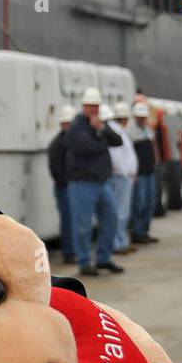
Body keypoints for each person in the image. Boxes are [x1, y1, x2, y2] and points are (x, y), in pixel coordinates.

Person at [64, 87, 124, 276]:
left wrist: (102, 130)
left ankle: (103, 258)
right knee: (82, 224)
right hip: (82, 183)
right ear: (84, 106)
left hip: (101, 182)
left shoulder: (99, 125)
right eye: (90, 106)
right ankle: (84, 261)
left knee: (111, 218)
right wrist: (102, 141)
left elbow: (117, 141)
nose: (94, 110)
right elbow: (87, 148)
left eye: (96, 106)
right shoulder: (76, 127)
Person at [104, 101, 138, 256]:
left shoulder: (119, 131)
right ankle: (117, 242)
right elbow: (116, 157)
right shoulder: (116, 132)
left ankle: (121, 240)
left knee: (122, 211)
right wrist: (125, 172)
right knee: (120, 212)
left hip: (123, 177)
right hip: (120, 177)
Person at [48, 104, 76, 263]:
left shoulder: (71, 142)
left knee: (74, 220)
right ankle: (68, 252)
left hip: (71, 186)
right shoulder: (57, 144)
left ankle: (72, 251)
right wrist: (66, 183)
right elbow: (55, 168)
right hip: (64, 188)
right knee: (68, 220)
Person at [127, 101, 159, 244]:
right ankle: (136, 232)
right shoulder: (130, 132)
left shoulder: (148, 130)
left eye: (143, 117)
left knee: (149, 202)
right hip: (139, 173)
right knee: (138, 203)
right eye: (139, 117)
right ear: (135, 116)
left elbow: (153, 147)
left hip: (149, 171)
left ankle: (145, 231)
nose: (141, 119)